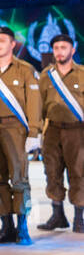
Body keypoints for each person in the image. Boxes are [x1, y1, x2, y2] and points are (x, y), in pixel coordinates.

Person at [0, 25, 42, 245]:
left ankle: (22, 227)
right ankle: (6, 226)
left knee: (19, 179)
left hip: (16, 130)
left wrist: (33, 132)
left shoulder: (25, 69)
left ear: (12, 44)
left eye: (2, 41)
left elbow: (34, 103)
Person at [37, 34, 84, 232]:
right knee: (52, 171)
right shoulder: (46, 75)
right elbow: (39, 105)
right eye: (56, 48)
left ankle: (79, 217)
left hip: (77, 131)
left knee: (79, 173)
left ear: (72, 50)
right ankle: (58, 215)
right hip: (53, 130)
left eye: (64, 47)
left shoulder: (82, 73)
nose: (59, 52)